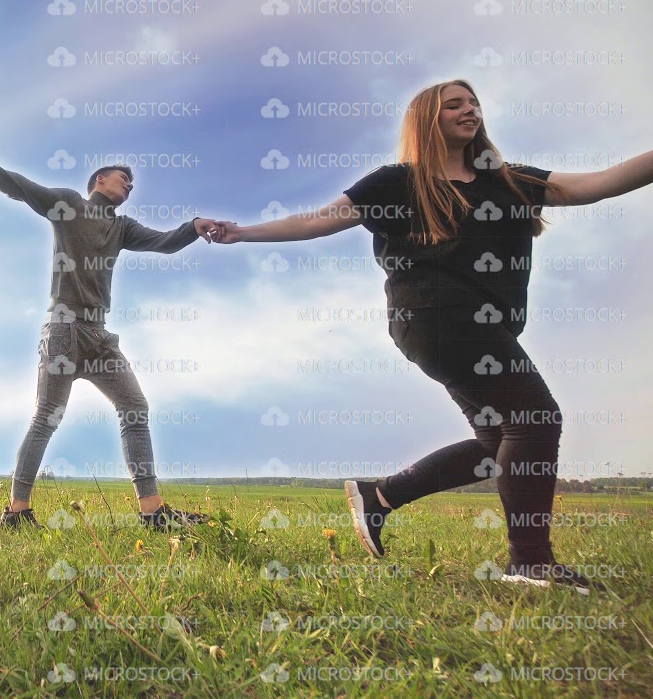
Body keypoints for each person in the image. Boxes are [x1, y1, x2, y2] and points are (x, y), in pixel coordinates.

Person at [206, 79, 652, 593]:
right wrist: (242, 232)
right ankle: (530, 562)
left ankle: (380, 496)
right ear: (427, 120)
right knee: (535, 419)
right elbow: (314, 222)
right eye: (454, 105)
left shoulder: (507, 180)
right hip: (436, 316)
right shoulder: (398, 182)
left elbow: (598, 183)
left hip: (482, 326)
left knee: (496, 441)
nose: (471, 110)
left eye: (474, 102)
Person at [0, 153, 221, 531]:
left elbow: (164, 242)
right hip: (63, 331)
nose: (129, 184)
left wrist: (193, 226)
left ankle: (152, 512)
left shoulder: (122, 227)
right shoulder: (70, 205)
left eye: (131, 182)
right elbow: (16, 184)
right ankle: (16, 512)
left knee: (134, 406)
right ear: (99, 180)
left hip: (100, 338)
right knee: (47, 417)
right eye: (122, 177)